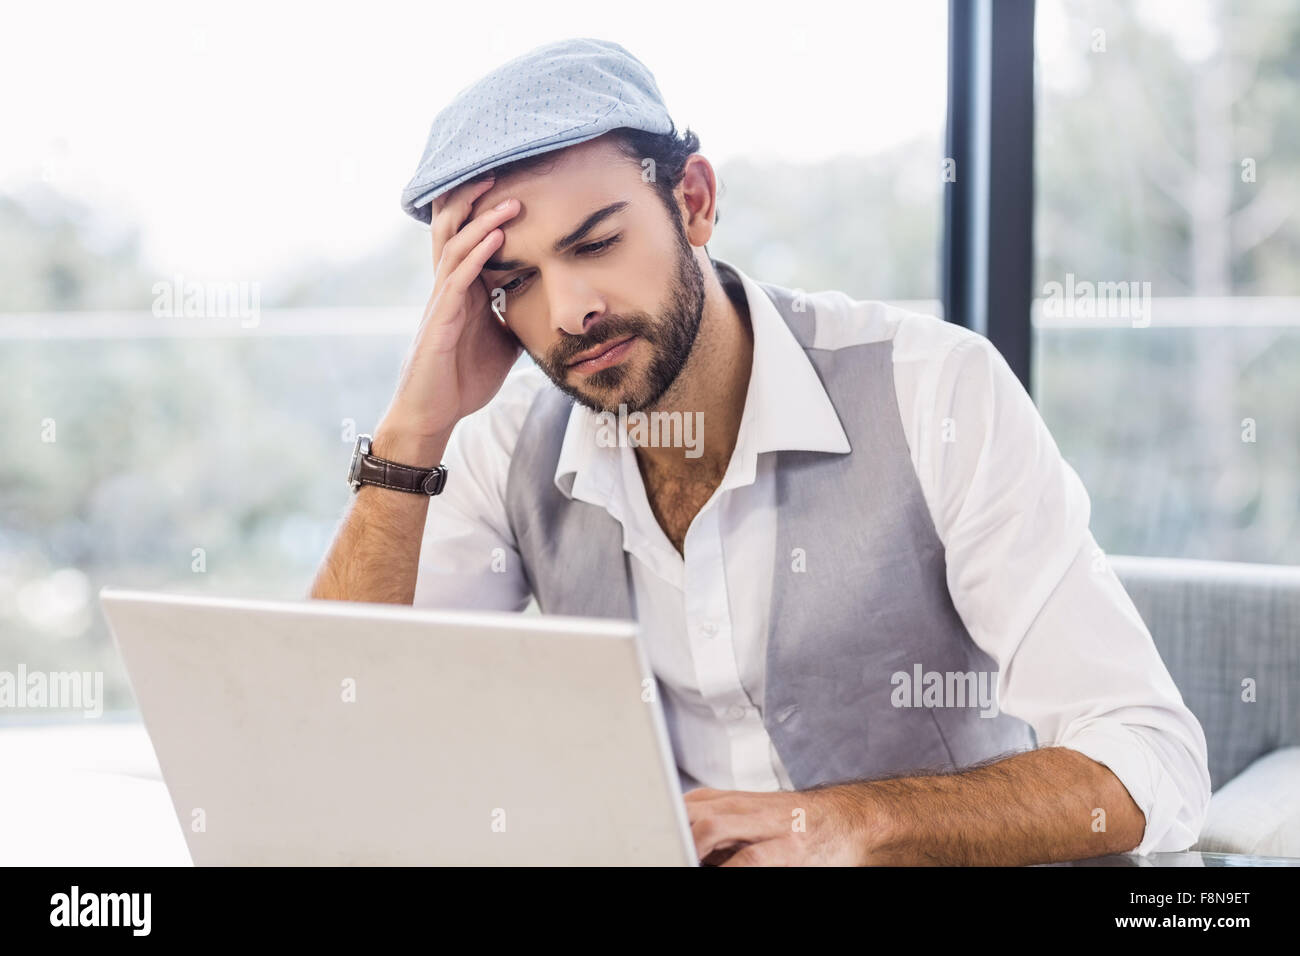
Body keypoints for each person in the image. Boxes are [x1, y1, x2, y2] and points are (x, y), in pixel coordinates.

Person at [311, 38, 1210, 866]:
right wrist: (410, 435)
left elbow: (1149, 756)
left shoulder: (935, 389)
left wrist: (858, 820)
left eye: (598, 243)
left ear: (694, 201)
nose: (571, 310)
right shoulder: (501, 446)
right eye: (516, 283)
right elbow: (335, 729)